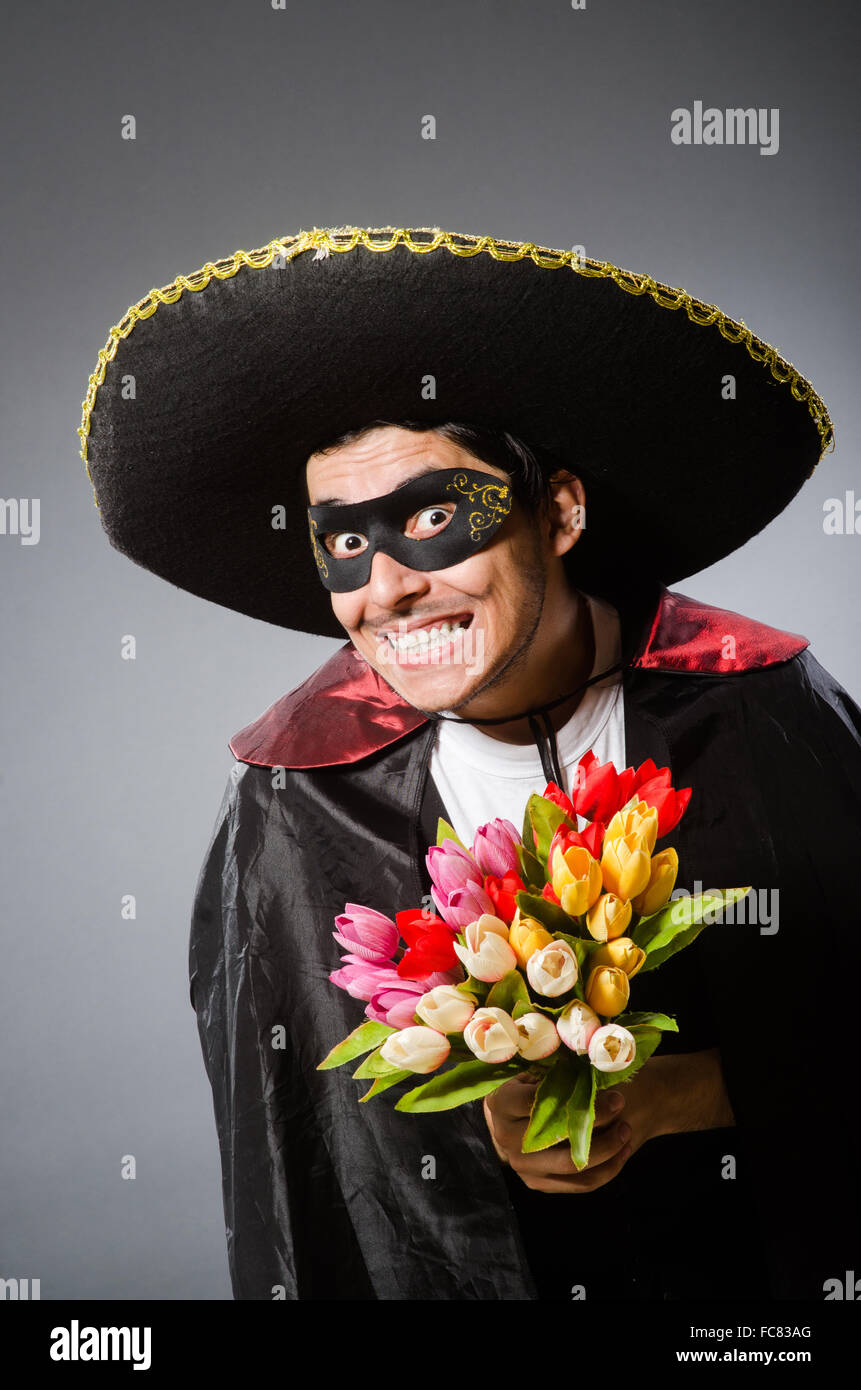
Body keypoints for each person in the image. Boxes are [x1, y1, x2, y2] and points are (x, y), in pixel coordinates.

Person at [79, 225, 861, 1301]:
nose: (387, 588)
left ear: (560, 512)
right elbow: (306, 1141)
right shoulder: (299, 794)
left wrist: (677, 1096)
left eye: (435, 517)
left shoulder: (756, 707)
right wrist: (464, 1124)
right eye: (345, 542)